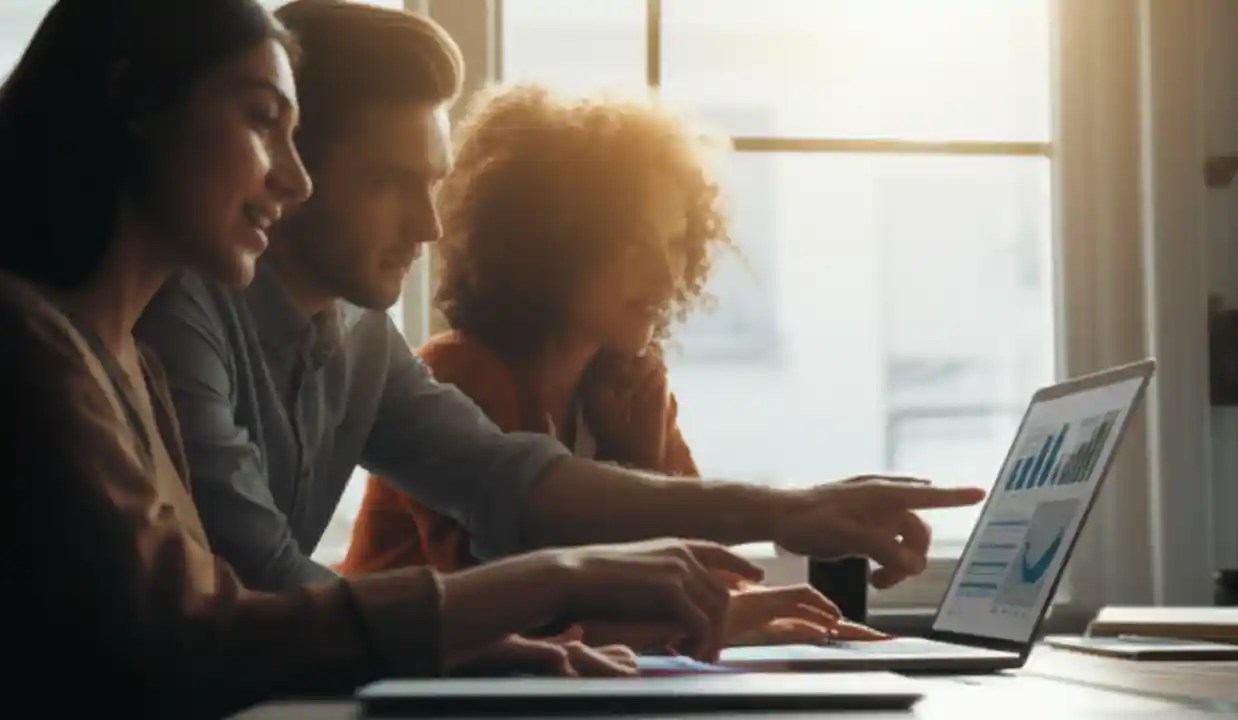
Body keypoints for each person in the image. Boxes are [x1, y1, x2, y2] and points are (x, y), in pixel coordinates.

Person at [0, 0, 769, 713]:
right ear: (135, 104)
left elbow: (497, 473)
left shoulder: (140, 365)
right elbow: (207, 631)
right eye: (264, 121)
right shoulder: (42, 346)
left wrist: (783, 513)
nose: (289, 178)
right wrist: (553, 579)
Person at [137, 0, 984, 610]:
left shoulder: (359, 337)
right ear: (290, 168)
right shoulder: (178, 310)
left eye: (432, 185)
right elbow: (260, 580)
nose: (429, 225)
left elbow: (509, 477)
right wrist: (493, 634)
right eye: (390, 184)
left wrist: (788, 509)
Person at [343, 84, 889, 648]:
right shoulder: (459, 374)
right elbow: (501, 609)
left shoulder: (635, 387)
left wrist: (776, 620)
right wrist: (718, 621)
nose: (665, 276)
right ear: (550, 241)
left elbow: (698, 571)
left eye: (677, 241)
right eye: (632, 241)